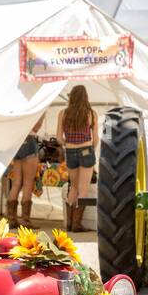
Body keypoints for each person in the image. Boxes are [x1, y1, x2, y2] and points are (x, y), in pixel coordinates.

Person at [57, 84, 99, 232]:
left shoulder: (63, 113)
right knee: (83, 189)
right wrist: (89, 149)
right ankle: (76, 224)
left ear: (71, 96)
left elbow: (58, 138)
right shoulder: (91, 113)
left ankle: (69, 223)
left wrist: (68, 144)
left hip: (70, 151)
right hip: (86, 150)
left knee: (73, 187)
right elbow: (95, 139)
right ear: (85, 97)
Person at [5, 115, 44, 228]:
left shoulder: (20, 107)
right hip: (29, 141)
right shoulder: (38, 106)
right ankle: (25, 220)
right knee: (28, 183)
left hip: (18, 142)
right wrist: (42, 116)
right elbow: (36, 128)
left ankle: (11, 219)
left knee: (16, 183)